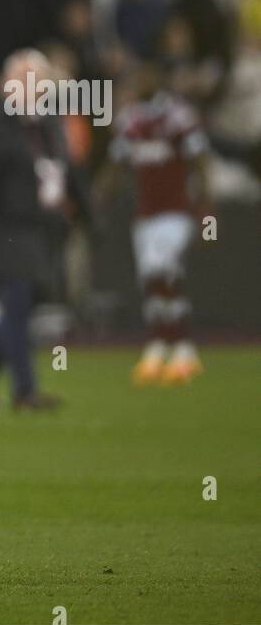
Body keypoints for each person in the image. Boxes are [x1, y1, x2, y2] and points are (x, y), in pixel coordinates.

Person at [0, 49, 76, 411]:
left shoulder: (46, 123)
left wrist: (85, 212)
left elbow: (68, 171)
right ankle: (25, 391)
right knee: (19, 303)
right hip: (4, 229)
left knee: (17, 308)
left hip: (39, 228)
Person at [106, 63, 211, 384]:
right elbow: (115, 164)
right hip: (146, 213)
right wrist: (95, 199)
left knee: (161, 270)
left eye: (143, 75)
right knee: (154, 282)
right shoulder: (130, 119)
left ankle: (170, 348)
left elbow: (201, 161)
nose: (137, 81)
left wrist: (207, 210)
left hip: (175, 210)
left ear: (156, 78)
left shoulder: (178, 115)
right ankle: (172, 348)